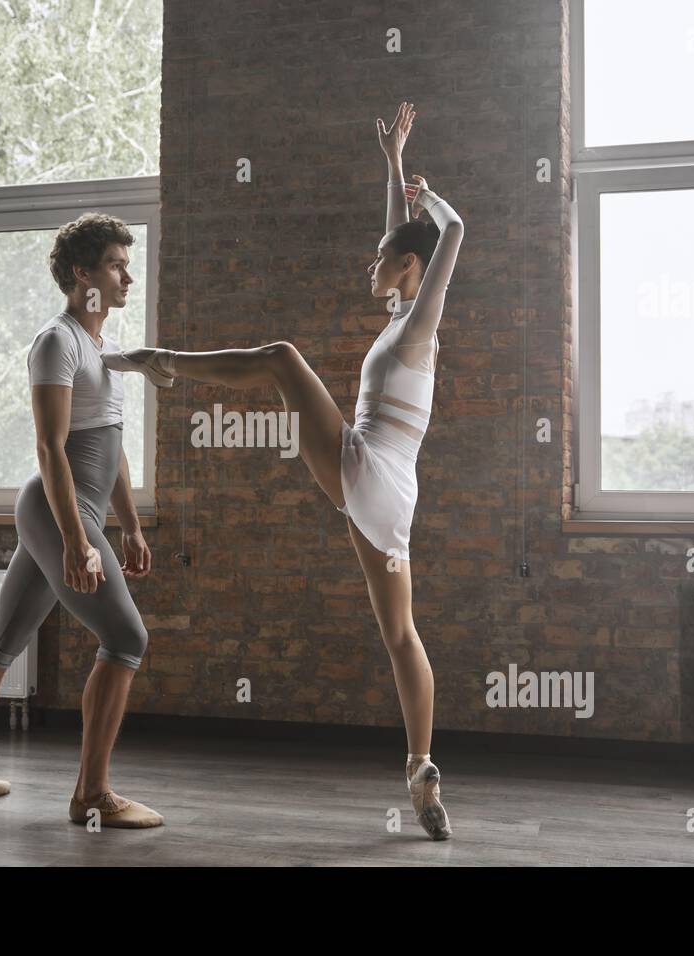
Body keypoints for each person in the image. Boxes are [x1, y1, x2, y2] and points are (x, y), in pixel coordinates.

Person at [104, 102, 463, 839]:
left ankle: (160, 363)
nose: (369, 265)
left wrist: (428, 200)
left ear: (409, 271)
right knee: (401, 636)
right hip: (390, 491)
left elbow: (450, 234)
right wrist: (395, 166)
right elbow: (405, 238)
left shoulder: (423, 321)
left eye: (381, 260)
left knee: (280, 358)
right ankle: (421, 769)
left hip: (370, 469)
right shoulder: (404, 318)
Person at [0, 212, 163, 828]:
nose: (126, 276)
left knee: (2, 641)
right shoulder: (57, 341)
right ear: (81, 273)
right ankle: (92, 795)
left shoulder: (105, 349)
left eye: (125, 264)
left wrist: (131, 527)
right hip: (55, 510)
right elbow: (50, 449)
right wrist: (77, 540)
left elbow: (111, 449)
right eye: (115, 264)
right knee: (127, 640)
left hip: (75, 511)